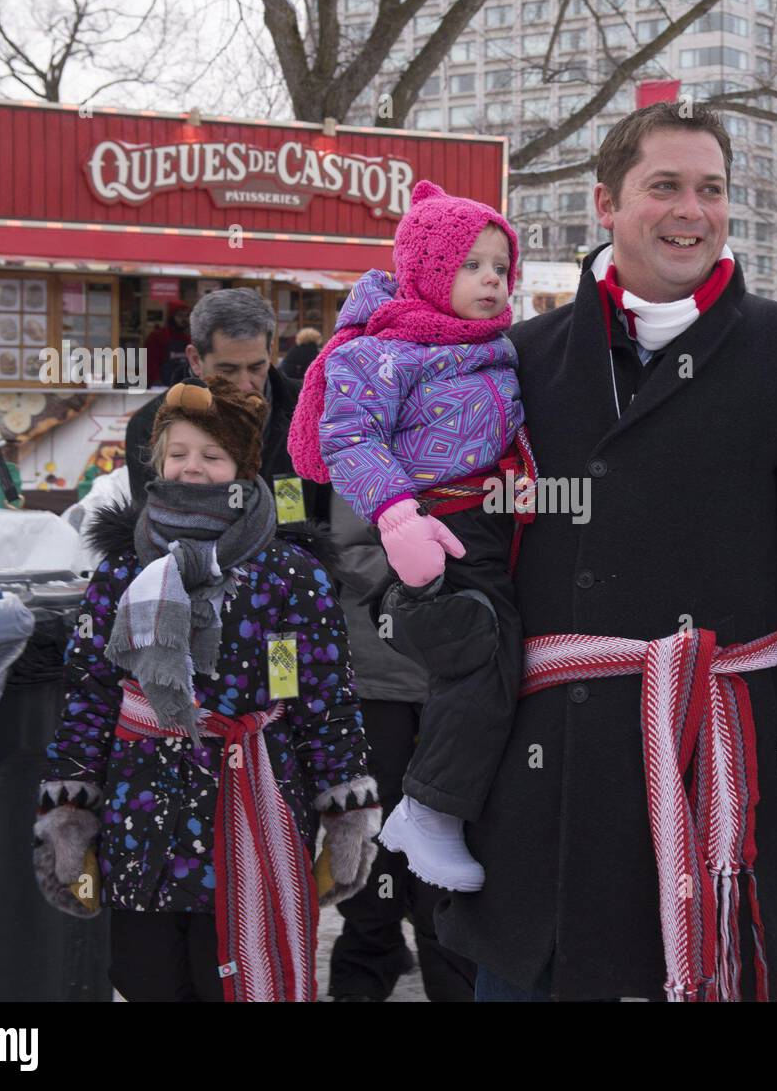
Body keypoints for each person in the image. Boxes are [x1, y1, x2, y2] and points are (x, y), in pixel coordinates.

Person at [431, 101, 777, 1002]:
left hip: (725, 757)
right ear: (605, 204)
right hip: (549, 779)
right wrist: (440, 610)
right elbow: (472, 550)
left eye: (712, 190)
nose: (690, 210)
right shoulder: (515, 360)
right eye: (664, 186)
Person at [32, 377, 380, 1001]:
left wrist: (346, 813)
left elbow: (325, 698)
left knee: (236, 978)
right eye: (179, 453)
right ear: (157, 462)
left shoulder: (287, 574)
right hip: (142, 817)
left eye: (211, 455)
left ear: (242, 470)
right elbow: (89, 695)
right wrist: (69, 814)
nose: (192, 467)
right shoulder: (122, 570)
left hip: (255, 803)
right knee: (146, 979)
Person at [289, 180, 533, 894]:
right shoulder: (384, 351)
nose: (491, 279)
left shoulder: (493, 346)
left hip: (494, 519)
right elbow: (349, 435)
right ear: (427, 269)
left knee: (505, 657)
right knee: (482, 656)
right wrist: (397, 518)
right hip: (437, 524)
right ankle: (428, 808)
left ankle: (447, 805)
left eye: (499, 266)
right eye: (471, 264)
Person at [325, 490, 477, 1002]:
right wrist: (444, 577)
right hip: (380, 676)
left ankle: (448, 963)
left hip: (460, 678)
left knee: (450, 829)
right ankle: (370, 954)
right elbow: (351, 551)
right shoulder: (367, 451)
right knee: (378, 826)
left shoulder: (477, 436)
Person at [126, 287, 322, 520]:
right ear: (196, 360)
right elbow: (153, 529)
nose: (245, 384)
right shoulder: (149, 425)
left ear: (270, 351)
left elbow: (339, 531)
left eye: (257, 367)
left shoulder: (314, 410)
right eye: (227, 370)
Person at [143, 300, 191, 387]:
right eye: (180, 315)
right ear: (171, 317)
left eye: (187, 316)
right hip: (160, 387)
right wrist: (156, 383)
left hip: (182, 387)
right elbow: (150, 363)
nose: (184, 320)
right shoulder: (156, 337)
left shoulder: (188, 339)